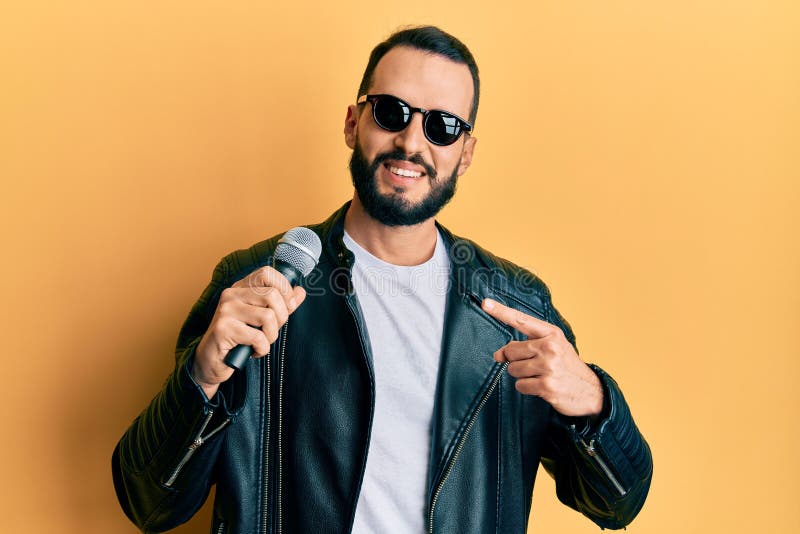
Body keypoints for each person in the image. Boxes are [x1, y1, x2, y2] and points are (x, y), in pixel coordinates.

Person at [112, 25, 652, 533]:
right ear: (353, 123)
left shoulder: (517, 308)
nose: (411, 142)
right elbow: (149, 504)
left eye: (442, 126)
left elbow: (617, 505)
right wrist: (203, 377)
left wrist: (594, 401)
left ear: (465, 154)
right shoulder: (256, 284)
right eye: (391, 113)